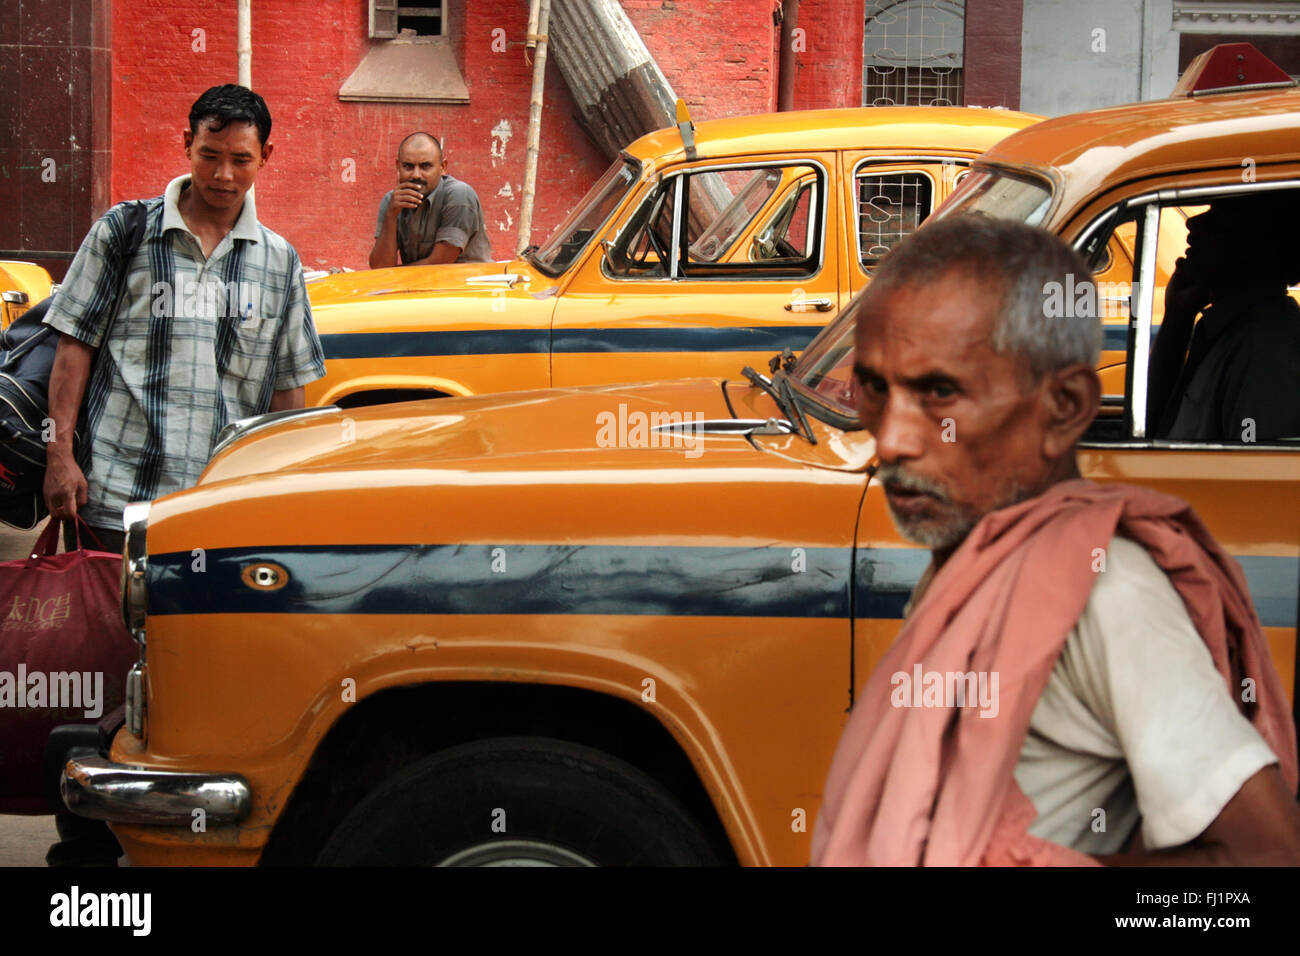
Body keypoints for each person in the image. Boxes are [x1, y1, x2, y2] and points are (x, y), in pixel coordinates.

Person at [812, 214, 1300, 866]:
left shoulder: (1103, 594)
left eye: (940, 393)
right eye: (875, 387)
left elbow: (1262, 861)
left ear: (1064, 409)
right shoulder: (973, 552)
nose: (894, 440)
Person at [43, 84, 326, 554]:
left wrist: (281, 486)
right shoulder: (124, 232)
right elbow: (75, 347)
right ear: (186, 145)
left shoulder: (280, 261)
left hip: (222, 504)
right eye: (208, 155)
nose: (222, 175)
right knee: (106, 627)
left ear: (266, 156)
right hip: (115, 499)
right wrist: (59, 455)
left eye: (241, 159)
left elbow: (287, 388)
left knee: (203, 629)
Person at [1148, 194, 1300, 442]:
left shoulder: (1265, 353)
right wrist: (1178, 315)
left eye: (1217, 217)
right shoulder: (1231, 331)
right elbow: (1157, 431)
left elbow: (1255, 473)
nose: (1192, 223)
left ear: (1256, 244)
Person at [369, 132, 493, 268]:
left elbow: (439, 264)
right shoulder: (392, 202)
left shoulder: (459, 195)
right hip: (415, 284)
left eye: (425, 166)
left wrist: (391, 274)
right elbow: (380, 267)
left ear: (443, 167)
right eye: (408, 166)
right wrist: (391, 215)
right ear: (398, 166)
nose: (416, 175)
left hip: (465, 285)